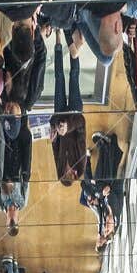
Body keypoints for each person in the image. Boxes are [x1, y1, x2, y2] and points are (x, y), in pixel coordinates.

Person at [50, 35, 86, 186]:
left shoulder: (59, 166)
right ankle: (73, 43)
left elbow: (55, 145)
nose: (68, 170)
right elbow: (82, 124)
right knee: (74, 76)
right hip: (73, 114)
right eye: (71, 173)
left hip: (59, 117)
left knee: (59, 78)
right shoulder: (80, 164)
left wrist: (54, 134)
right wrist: (68, 127)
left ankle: (58, 39)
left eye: (66, 173)